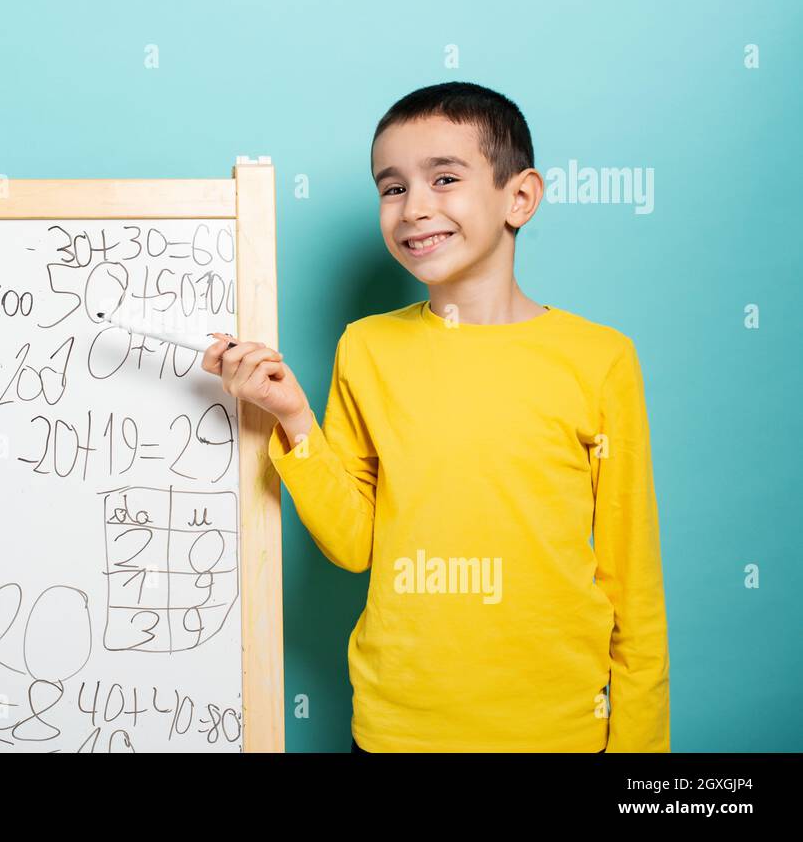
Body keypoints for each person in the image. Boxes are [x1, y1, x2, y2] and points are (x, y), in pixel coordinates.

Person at [203, 82, 670, 753]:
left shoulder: (601, 360)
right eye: (391, 188)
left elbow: (635, 585)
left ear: (520, 196)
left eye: (444, 178)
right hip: (399, 729)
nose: (413, 208)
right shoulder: (365, 348)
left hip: (558, 732)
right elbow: (355, 542)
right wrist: (294, 417)